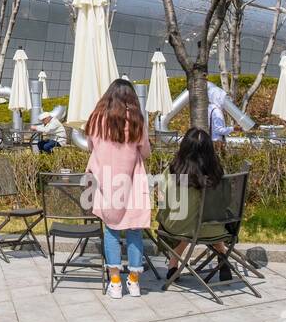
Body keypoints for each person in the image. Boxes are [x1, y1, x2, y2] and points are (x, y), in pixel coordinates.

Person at [85, 78, 152, 299]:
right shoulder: (136, 122)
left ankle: (115, 282)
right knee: (134, 230)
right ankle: (133, 282)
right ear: (131, 99)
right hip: (132, 182)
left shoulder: (96, 120)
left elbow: (91, 146)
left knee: (111, 230)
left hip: (106, 183)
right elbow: (145, 152)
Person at [156, 127, 233, 283]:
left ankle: (173, 266)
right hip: (216, 228)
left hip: (182, 227)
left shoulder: (174, 171)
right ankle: (223, 258)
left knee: (185, 221)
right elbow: (226, 201)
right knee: (204, 218)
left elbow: (162, 200)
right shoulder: (218, 173)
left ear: (184, 148)